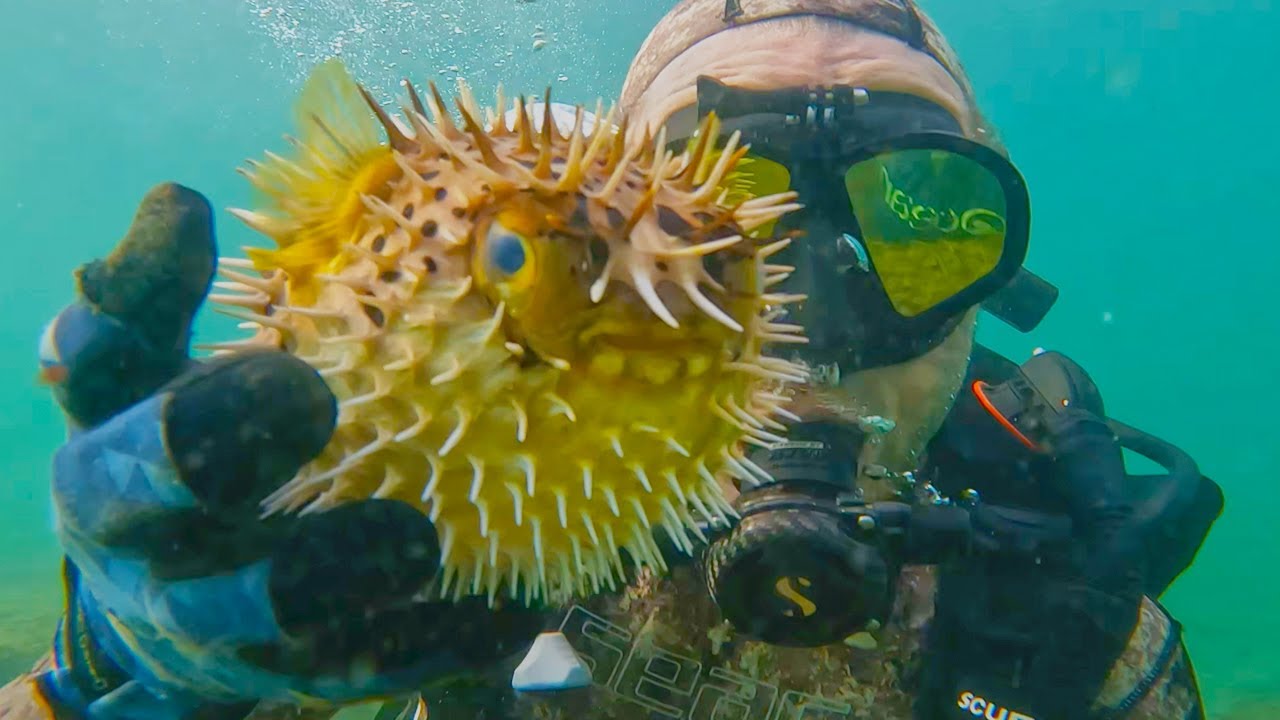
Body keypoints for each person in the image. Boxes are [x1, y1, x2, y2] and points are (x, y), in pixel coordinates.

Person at [1, 1, 1224, 719]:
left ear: (991, 277)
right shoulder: (423, 566)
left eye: (919, 221)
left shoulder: (1081, 632)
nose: (814, 319)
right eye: (735, 220)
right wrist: (106, 680)